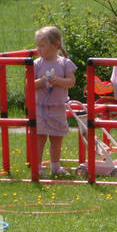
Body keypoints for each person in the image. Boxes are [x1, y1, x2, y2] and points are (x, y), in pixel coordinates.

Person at [32, 26, 77, 177]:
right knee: (40, 138)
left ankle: (55, 167)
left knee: (57, 139)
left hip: (58, 107)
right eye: (37, 45)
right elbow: (29, 85)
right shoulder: (37, 64)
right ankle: (37, 168)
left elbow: (71, 82)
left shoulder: (64, 63)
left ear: (55, 46)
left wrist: (57, 80)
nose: (38, 49)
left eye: (42, 45)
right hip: (41, 108)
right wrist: (42, 80)